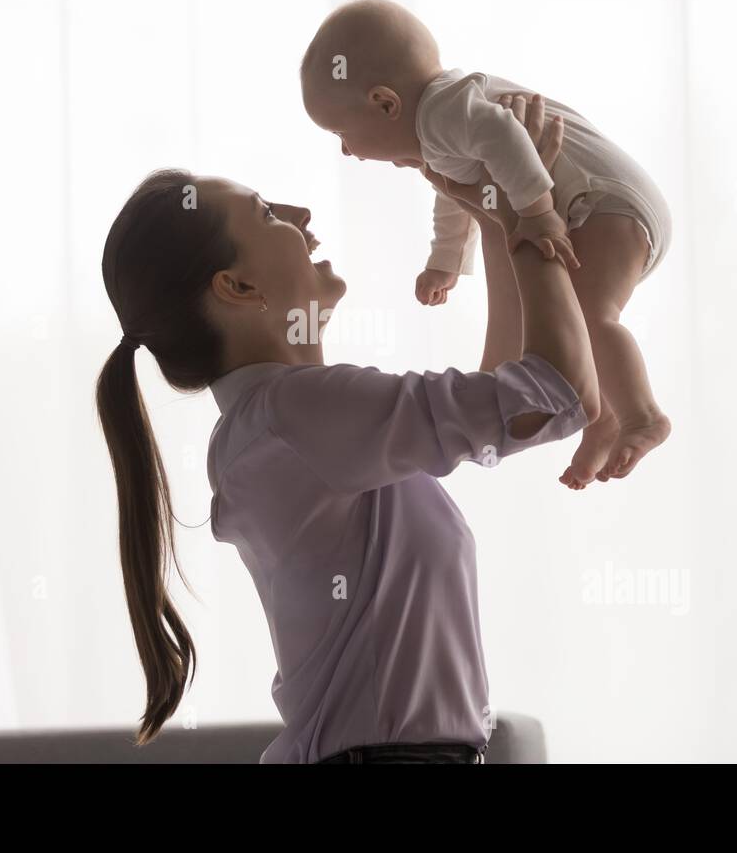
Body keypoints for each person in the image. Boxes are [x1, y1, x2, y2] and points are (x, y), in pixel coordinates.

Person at [96, 103, 596, 763]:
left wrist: (501, 213)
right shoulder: (298, 416)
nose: (301, 216)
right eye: (269, 215)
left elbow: (510, 394)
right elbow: (557, 394)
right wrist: (533, 208)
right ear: (239, 285)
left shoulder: (291, 426)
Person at [300, 0, 672, 486]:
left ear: (386, 103)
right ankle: (602, 419)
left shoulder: (442, 111)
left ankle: (643, 416)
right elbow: (463, 196)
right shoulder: (440, 124)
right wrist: (445, 261)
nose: (347, 151)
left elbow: (505, 137)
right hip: (602, 205)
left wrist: (537, 216)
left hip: (604, 206)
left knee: (591, 315)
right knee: (574, 322)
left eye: (342, 134)